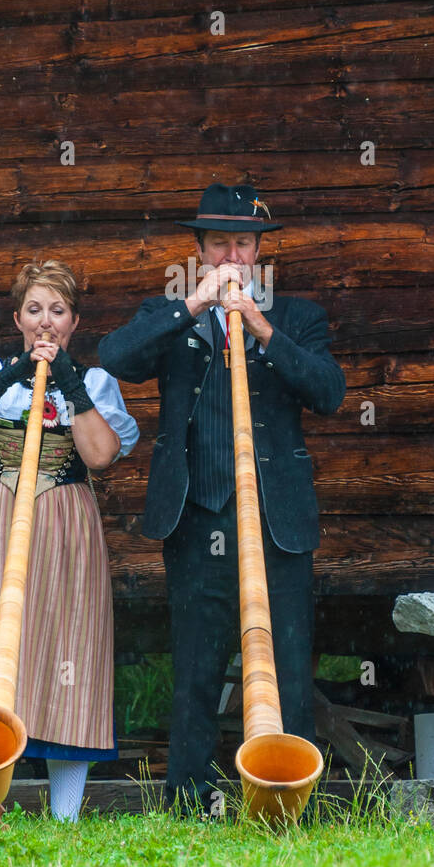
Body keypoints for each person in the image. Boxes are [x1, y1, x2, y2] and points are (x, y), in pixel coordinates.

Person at [99, 183, 346, 809]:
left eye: (243, 243)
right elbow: (115, 357)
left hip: (277, 520)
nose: (232, 255)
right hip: (197, 515)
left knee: (287, 664)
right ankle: (191, 796)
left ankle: (291, 794)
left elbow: (330, 392)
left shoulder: (295, 318)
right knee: (197, 665)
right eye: (220, 244)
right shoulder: (168, 314)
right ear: (201, 251)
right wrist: (190, 308)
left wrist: (260, 328)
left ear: (258, 251)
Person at [0, 259, 139, 821]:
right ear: (18, 318)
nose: (46, 322)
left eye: (57, 312)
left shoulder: (91, 383)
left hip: (66, 531)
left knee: (68, 650)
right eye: (35, 311)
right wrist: (12, 374)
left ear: (74, 322)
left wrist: (66, 382)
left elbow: (101, 455)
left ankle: (65, 816)